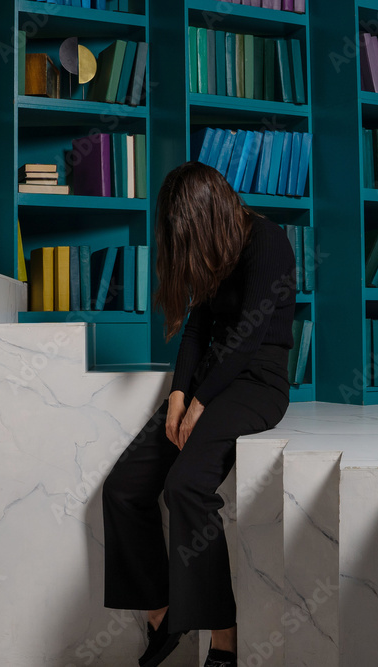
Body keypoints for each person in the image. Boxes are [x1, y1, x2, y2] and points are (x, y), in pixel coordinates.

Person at [102, 161, 297, 667]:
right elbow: (197, 329)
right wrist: (176, 394)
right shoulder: (217, 247)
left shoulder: (266, 240)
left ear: (209, 212)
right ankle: (162, 612)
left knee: (186, 486)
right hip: (213, 378)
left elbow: (248, 333)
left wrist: (202, 401)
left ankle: (224, 637)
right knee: (124, 489)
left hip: (258, 381)